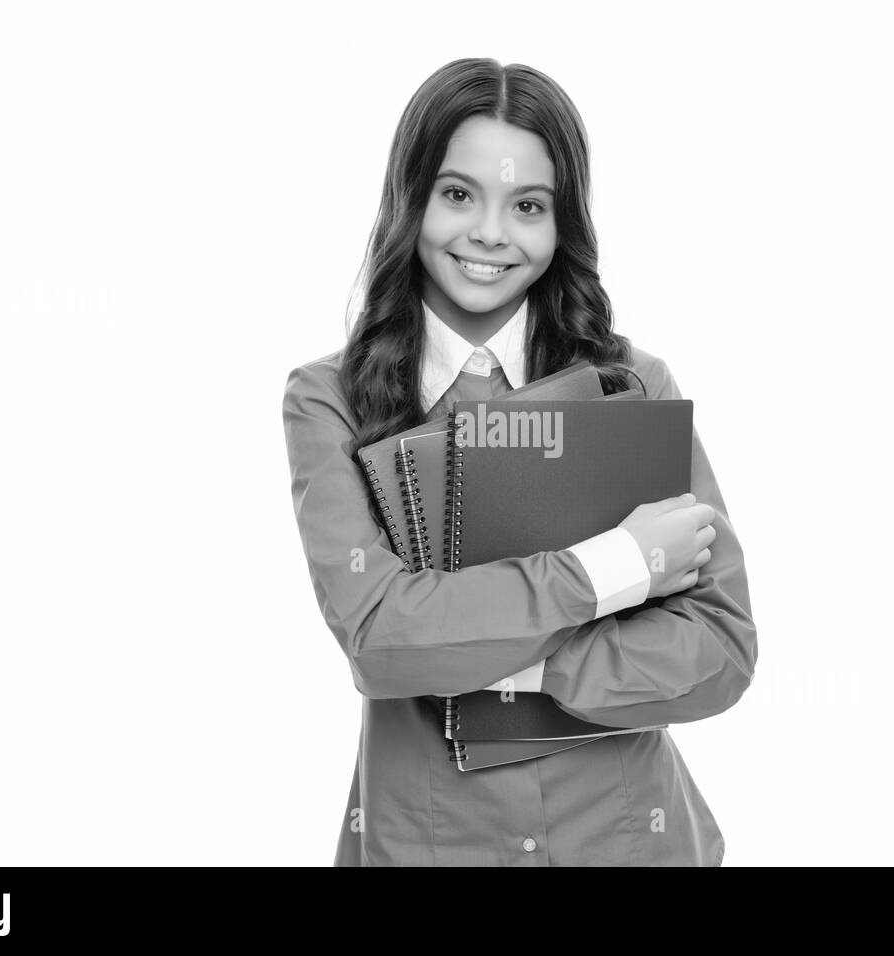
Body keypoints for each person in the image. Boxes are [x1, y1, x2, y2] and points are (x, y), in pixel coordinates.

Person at [282, 57, 757, 866]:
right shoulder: (329, 400)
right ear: (411, 200)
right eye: (458, 194)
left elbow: (718, 652)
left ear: (561, 224)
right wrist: (617, 567)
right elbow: (383, 644)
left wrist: (484, 655)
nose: (491, 233)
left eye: (528, 205)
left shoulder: (631, 387)